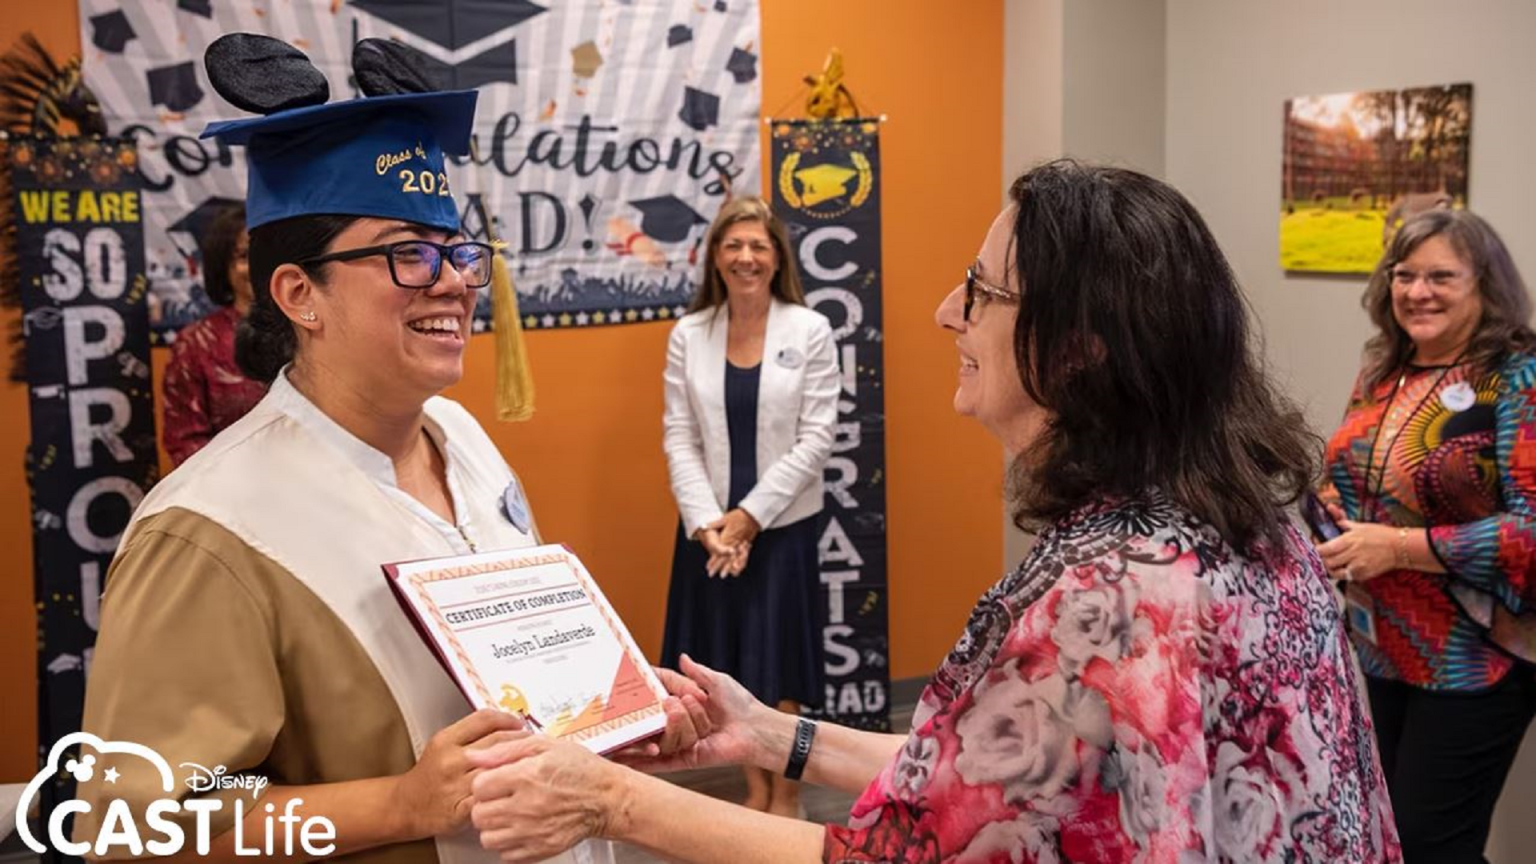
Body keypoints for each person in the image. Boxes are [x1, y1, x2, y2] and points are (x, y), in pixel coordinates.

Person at [462, 161, 1402, 863]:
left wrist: (606, 799)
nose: (948, 312)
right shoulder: (1236, 522)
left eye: (983, 291)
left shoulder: (1113, 597)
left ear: (1073, 352)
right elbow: (991, 771)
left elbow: (904, 848)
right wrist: (774, 735)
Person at [72, 34, 705, 864]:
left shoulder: (467, 443)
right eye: (408, 253)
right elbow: (140, 816)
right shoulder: (207, 531)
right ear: (299, 294)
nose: (454, 282)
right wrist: (398, 803)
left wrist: (608, 714)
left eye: (458, 251)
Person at [1316, 208, 1536, 861]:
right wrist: (1323, 516)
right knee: (1386, 837)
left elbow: (1531, 529)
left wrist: (1399, 548)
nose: (1418, 292)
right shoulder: (1385, 370)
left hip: (1476, 659)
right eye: (1404, 275)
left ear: (1485, 285)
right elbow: (1356, 481)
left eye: (1441, 276)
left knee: (1429, 844)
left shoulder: (1517, 377)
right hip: (1382, 647)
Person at [659, 195, 837, 816]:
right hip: (708, 532)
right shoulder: (689, 334)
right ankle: (752, 791)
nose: (746, 257)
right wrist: (712, 525)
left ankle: (785, 797)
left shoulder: (809, 329)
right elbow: (678, 433)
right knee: (725, 664)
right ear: (715, 257)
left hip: (781, 527)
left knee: (780, 663)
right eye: (733, 245)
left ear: (776, 256)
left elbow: (818, 437)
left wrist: (749, 518)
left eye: (758, 245)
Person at [161, 202, 269, 466]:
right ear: (223, 265)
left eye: (265, 253)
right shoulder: (195, 344)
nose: (257, 265)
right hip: (230, 496)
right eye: (244, 256)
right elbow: (185, 442)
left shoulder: (308, 331)